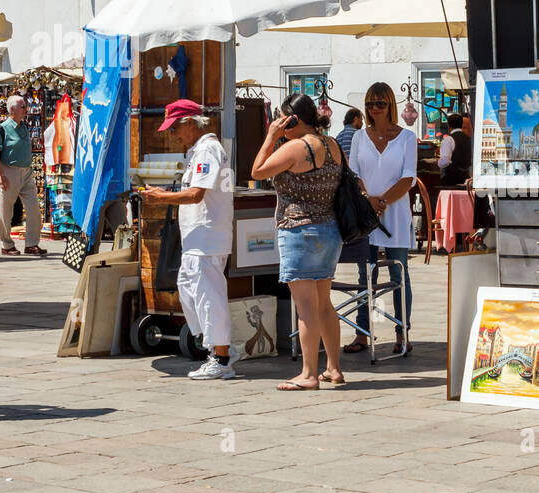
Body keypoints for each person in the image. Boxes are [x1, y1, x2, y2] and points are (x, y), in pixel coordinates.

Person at [252, 93, 346, 390]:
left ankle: (308, 374)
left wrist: (270, 136)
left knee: (305, 306)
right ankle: (333, 368)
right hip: (330, 230)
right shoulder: (331, 145)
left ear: (291, 119)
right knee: (325, 304)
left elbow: (256, 171)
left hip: (299, 230)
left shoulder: (295, 148)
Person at [140, 100, 236, 380]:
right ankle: (218, 347)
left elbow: (196, 194)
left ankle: (221, 357)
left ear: (190, 123)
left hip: (207, 236)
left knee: (209, 297)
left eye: (175, 128)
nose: (173, 135)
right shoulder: (201, 151)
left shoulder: (207, 150)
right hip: (200, 237)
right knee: (189, 288)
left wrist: (160, 197)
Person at [349, 82, 417, 355]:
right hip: (367, 215)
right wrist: (368, 199)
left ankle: (402, 331)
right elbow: (353, 175)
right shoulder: (358, 137)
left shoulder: (406, 138)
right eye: (369, 104)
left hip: (396, 214)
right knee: (365, 275)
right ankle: (362, 333)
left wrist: (384, 200)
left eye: (379, 103)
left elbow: (408, 176)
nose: (374, 109)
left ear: (391, 105)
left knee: (399, 273)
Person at [0, 95, 45, 257]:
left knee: (34, 208)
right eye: (22, 106)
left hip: (26, 171)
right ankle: (6, 245)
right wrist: (1, 174)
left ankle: (31, 244)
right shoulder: (1, 129)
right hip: (8, 171)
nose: (26, 109)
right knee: (5, 210)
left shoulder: (24, 126)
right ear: (12, 109)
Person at [438, 112, 472, 186]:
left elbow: (445, 161)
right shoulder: (469, 140)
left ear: (449, 126)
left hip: (451, 180)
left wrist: (438, 163)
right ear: (461, 124)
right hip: (466, 179)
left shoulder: (448, 139)